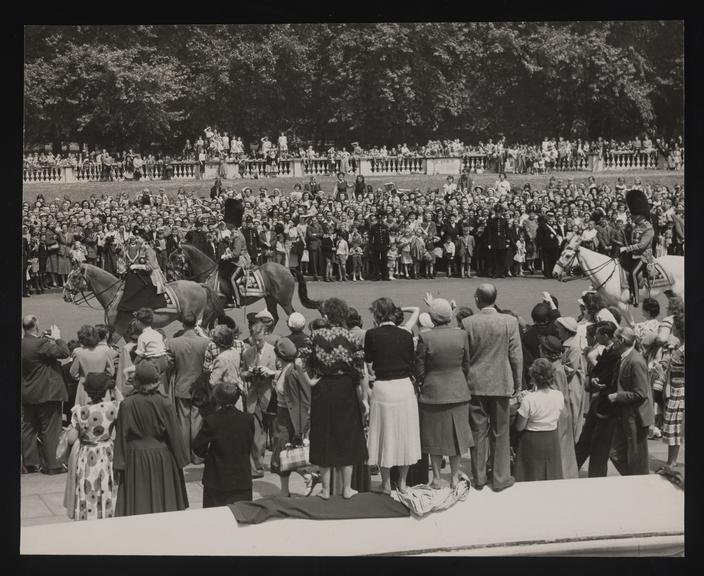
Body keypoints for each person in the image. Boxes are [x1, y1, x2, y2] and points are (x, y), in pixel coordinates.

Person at [462, 284, 522, 492]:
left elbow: (465, 356)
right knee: (500, 431)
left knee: (478, 430)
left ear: (478, 299)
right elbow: (515, 355)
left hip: (475, 383)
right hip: (500, 381)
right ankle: (500, 476)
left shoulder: (468, 323)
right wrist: (518, 381)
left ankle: (478, 477)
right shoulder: (509, 321)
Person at [307, 298, 369, 499]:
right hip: (345, 388)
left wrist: (309, 380)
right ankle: (347, 488)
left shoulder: (315, 336)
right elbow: (360, 371)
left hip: (322, 387)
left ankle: (325, 490)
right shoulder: (351, 338)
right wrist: (365, 399)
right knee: (347, 435)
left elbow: (299, 362)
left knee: (323, 434)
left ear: (325, 316)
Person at [113, 361, 190, 516]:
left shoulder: (126, 404)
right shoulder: (165, 402)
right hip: (162, 456)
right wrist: (181, 459)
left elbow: (121, 436)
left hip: (136, 457)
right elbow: (175, 434)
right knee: (164, 501)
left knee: (139, 501)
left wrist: (118, 464)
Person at [364, 297, 421, 494]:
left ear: (376, 314)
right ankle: (403, 482)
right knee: (405, 433)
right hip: (404, 385)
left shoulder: (371, 334)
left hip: (383, 386)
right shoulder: (405, 333)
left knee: (383, 434)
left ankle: (386, 483)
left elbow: (369, 359)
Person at [415, 298, 473, 489]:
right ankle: (455, 476)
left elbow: (420, 367)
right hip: (457, 390)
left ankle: (437, 478)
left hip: (433, 391)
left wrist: (427, 381)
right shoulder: (462, 335)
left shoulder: (426, 337)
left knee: (434, 437)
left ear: (432, 317)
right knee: (456, 438)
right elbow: (467, 363)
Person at [65, 373, 118, 521]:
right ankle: (107, 514)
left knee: (88, 484)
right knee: (106, 484)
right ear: (105, 389)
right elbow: (121, 401)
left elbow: (71, 439)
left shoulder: (80, 412)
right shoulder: (112, 408)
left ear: (86, 390)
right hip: (107, 452)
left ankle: (88, 516)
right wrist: (113, 389)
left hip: (87, 455)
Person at [192, 382, 255, 506]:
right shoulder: (248, 419)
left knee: (216, 520)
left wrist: (208, 455)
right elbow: (249, 442)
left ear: (217, 399)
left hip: (217, 479)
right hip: (242, 478)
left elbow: (197, 447)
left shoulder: (212, 421)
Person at [21, 315, 70, 475]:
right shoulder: (41, 344)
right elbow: (64, 352)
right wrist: (57, 338)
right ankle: (53, 464)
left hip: (28, 392)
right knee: (50, 429)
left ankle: (30, 463)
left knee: (29, 427)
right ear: (35, 326)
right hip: (47, 392)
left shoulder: (24, 343)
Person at [575, 322, 620, 477]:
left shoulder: (614, 353)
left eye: (599, 334)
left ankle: (593, 474)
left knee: (599, 444)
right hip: (600, 402)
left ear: (606, 335)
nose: (596, 336)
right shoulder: (609, 351)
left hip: (606, 405)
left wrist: (598, 382)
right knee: (589, 440)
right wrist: (595, 380)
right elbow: (598, 370)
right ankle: (581, 470)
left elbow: (608, 375)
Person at [269, 338, 313, 497]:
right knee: (283, 453)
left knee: (284, 453)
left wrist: (299, 429)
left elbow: (298, 402)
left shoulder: (291, 373)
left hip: (287, 419)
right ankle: (287, 489)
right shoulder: (287, 369)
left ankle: (304, 478)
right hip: (282, 417)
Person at [607, 327, 654, 476]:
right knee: (615, 453)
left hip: (636, 417)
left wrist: (618, 396)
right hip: (626, 415)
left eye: (615, 339)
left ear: (621, 340)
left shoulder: (636, 361)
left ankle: (639, 485)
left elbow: (641, 393)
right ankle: (634, 481)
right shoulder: (626, 358)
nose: (613, 342)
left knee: (637, 459)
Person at [166, 312, 210, 464]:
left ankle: (184, 455)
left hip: (181, 385)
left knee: (183, 423)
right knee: (197, 420)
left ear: (183, 324)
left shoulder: (173, 343)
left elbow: (169, 364)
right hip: (200, 387)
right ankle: (197, 455)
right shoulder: (205, 343)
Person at [513, 359, 564, 482]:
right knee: (551, 474)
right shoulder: (559, 395)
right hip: (552, 438)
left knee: (531, 476)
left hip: (532, 440)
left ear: (534, 378)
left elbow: (519, 426)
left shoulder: (529, 399)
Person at [241, 322, 277, 477]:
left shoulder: (274, 351)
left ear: (265, 335)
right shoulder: (248, 353)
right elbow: (242, 372)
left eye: (259, 340)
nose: (257, 343)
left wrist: (270, 372)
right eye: (254, 340)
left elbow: (284, 370)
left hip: (271, 396)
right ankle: (256, 468)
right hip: (254, 397)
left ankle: (278, 464)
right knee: (256, 435)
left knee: (275, 434)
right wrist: (247, 374)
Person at [619, 189, 655, 306]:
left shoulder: (648, 228)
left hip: (644, 256)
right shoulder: (636, 226)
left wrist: (627, 249)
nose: (632, 216)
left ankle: (636, 298)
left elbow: (642, 245)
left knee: (634, 273)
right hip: (634, 254)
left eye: (634, 214)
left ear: (640, 214)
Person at [658, 310, 684, 467]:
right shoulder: (678, 347)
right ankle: (671, 461)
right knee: (674, 427)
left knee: (676, 427)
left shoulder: (683, 349)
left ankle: (672, 462)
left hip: (680, 390)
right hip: (675, 390)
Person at [70, 324, 115, 407]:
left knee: (85, 414)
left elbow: (73, 373)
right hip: (102, 385)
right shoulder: (105, 350)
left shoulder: (78, 352)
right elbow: (111, 372)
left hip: (85, 385)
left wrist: (81, 377)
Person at [536, 211, 562, 278]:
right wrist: (547, 237)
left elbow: (560, 234)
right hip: (546, 246)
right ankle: (547, 274)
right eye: (549, 216)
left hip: (555, 246)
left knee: (554, 260)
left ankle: (554, 274)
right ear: (546, 217)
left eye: (552, 216)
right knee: (546, 260)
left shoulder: (556, 225)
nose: (550, 218)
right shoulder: (542, 225)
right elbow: (539, 236)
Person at [369, 212, 391, 281]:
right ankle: (376, 276)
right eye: (378, 219)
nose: (380, 220)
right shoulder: (373, 227)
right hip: (376, 246)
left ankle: (385, 276)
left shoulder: (385, 227)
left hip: (384, 246)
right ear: (377, 219)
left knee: (384, 261)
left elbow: (387, 237)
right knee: (376, 261)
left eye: (381, 219)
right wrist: (371, 246)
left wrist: (388, 244)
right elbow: (370, 237)